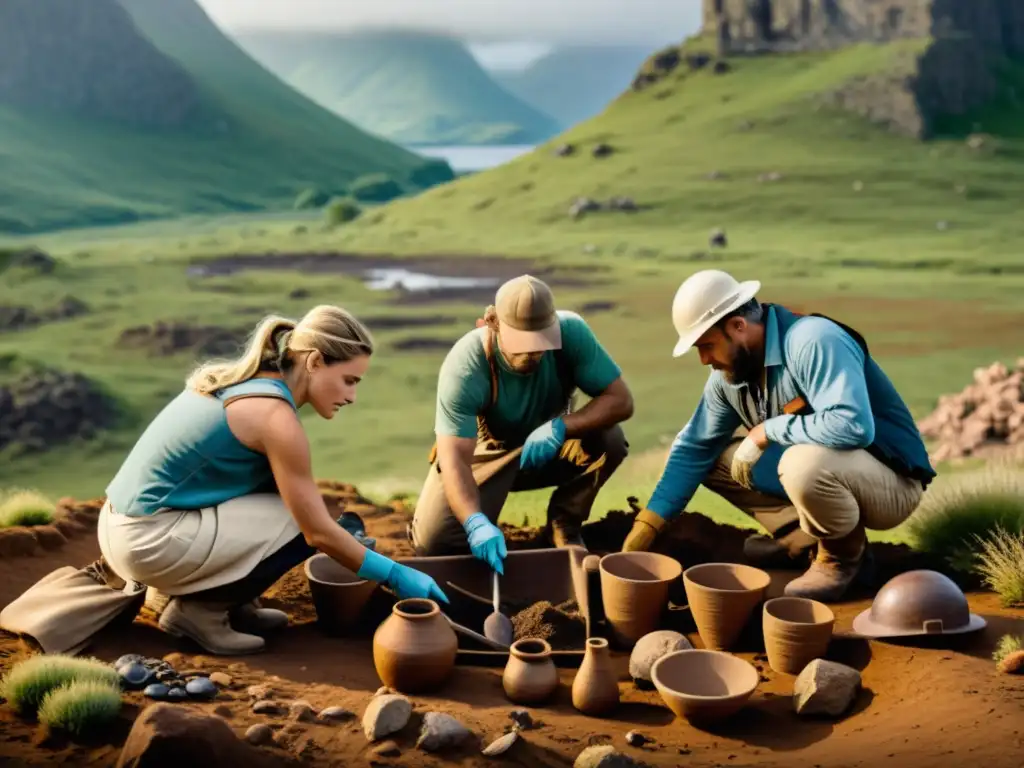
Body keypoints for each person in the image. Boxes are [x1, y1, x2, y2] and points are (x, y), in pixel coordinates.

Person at [96, 305, 449, 655]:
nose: (352, 396)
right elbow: (317, 532)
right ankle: (200, 611)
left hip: (124, 528)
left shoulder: (251, 381)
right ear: (314, 362)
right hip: (147, 542)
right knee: (301, 524)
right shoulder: (275, 418)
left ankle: (234, 604)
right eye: (349, 380)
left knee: (291, 507)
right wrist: (394, 574)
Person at [622, 269, 936, 602]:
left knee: (801, 463)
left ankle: (841, 558)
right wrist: (649, 525)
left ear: (738, 327)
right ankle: (803, 540)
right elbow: (694, 448)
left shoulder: (812, 340)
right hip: (826, 473)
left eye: (707, 346)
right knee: (716, 458)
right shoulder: (730, 378)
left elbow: (854, 426)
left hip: (891, 482)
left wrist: (767, 431)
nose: (703, 360)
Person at [409, 274, 634, 570]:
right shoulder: (465, 366)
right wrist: (475, 523)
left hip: (550, 446)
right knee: (434, 543)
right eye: (521, 343)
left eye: (541, 343)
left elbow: (621, 400)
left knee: (610, 440)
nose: (532, 353)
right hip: (485, 456)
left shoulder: (571, 333)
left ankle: (564, 521)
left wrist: (561, 427)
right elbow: (455, 461)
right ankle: (474, 522)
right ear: (491, 323)